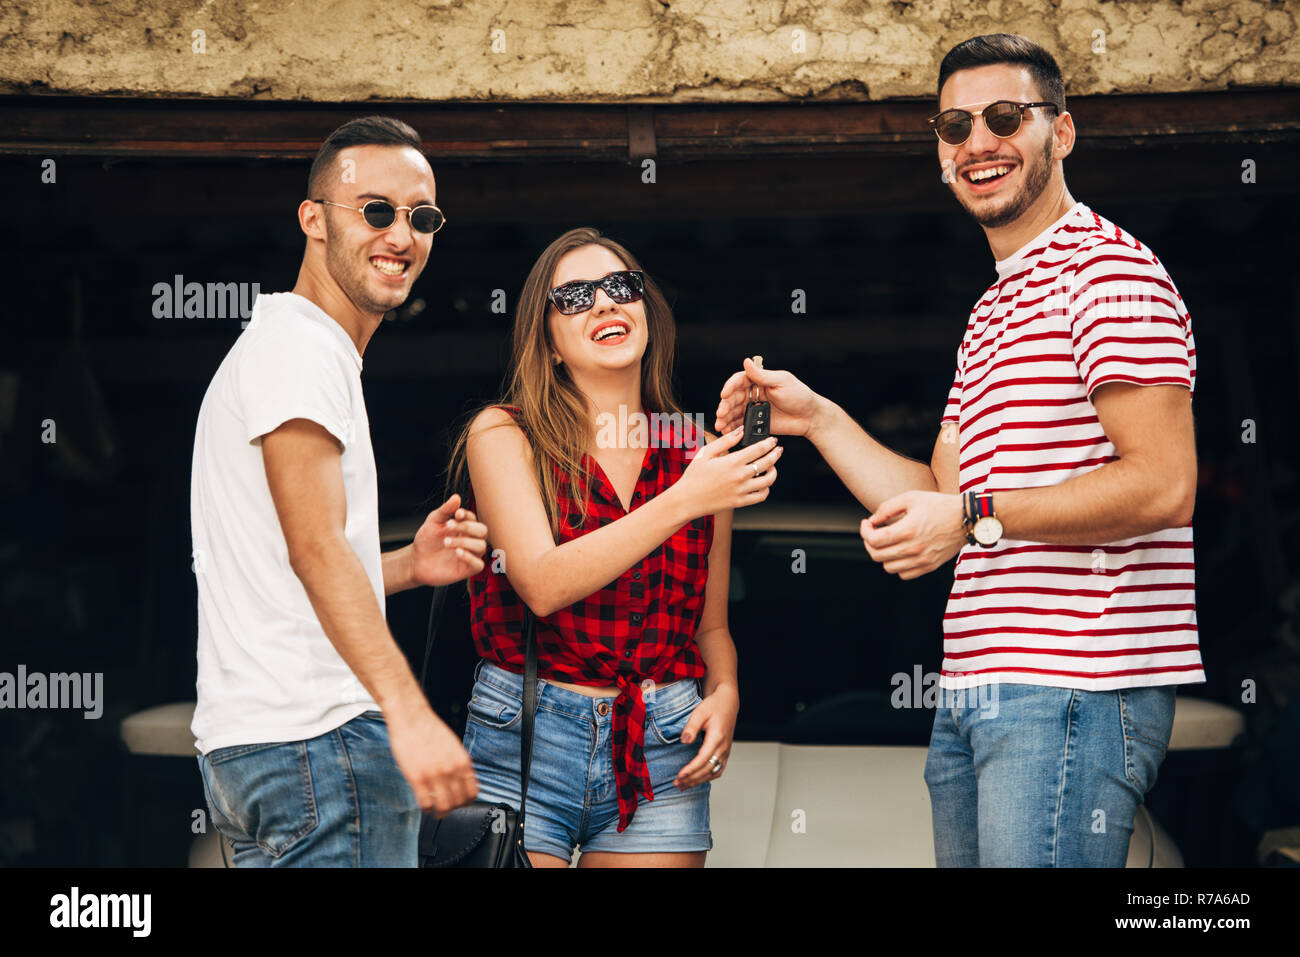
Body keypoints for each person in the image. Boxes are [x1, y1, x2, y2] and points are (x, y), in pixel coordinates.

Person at [715, 34, 1203, 867]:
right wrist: (818, 417)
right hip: (977, 688)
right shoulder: (991, 312)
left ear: (1063, 132)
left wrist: (975, 517)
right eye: (954, 126)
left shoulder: (1109, 275)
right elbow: (942, 491)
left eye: (1006, 117)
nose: (977, 143)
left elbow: (1164, 486)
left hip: (1073, 687)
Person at [191, 116, 487, 867]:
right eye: (376, 210)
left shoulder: (285, 348)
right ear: (314, 221)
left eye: (422, 217)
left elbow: (280, 564)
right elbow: (316, 548)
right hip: (320, 746)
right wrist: (409, 712)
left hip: (255, 752)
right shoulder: (300, 350)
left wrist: (404, 567)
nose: (402, 234)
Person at [446, 227, 780, 867]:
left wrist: (728, 689)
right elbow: (542, 584)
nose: (604, 303)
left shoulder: (698, 450)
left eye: (621, 287)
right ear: (546, 344)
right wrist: (686, 497)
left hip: (662, 739)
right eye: (572, 296)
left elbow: (710, 627)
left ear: (646, 314)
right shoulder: (505, 433)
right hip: (525, 735)